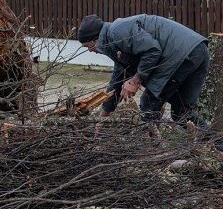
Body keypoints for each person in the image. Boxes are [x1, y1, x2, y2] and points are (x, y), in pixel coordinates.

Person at [77, 13, 209, 125]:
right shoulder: (113, 41)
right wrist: (103, 118)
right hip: (198, 50)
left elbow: (152, 50)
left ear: (95, 39)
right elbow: (118, 78)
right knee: (181, 112)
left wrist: (135, 81)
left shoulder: (117, 32)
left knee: (148, 103)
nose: (90, 51)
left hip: (181, 54)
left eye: (88, 46)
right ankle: (219, 144)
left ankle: (149, 148)